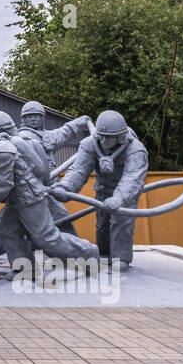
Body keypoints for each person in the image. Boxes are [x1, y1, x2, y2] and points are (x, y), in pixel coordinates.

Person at [0, 112, 98, 275]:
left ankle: (88, 253)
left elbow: (2, 186)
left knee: (46, 238)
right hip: (18, 198)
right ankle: (26, 270)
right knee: (7, 231)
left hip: (30, 198)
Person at [54, 110, 148, 268]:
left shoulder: (136, 150)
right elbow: (78, 170)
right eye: (102, 136)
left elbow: (132, 178)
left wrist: (119, 199)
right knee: (102, 224)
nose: (104, 140)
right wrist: (65, 187)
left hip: (125, 193)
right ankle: (104, 253)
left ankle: (121, 258)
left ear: (120, 136)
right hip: (103, 189)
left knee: (121, 222)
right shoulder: (89, 144)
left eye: (109, 137)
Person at [16, 100, 93, 235]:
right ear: (24, 119)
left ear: (42, 118)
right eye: (29, 116)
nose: (33, 119)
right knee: (59, 217)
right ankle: (75, 249)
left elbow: (64, 132)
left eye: (36, 115)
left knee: (36, 221)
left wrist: (82, 121)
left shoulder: (46, 136)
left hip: (48, 186)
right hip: (35, 188)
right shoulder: (21, 138)